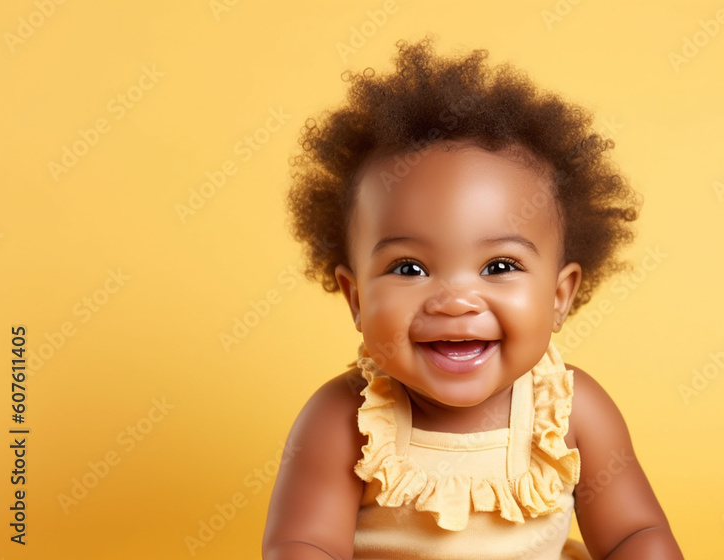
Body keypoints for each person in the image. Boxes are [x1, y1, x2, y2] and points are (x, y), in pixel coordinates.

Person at [262, 36, 684, 560]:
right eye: (409, 268)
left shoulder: (576, 412)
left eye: (499, 266)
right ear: (356, 298)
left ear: (559, 295)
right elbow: (302, 544)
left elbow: (633, 534)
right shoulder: (343, 418)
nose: (456, 301)